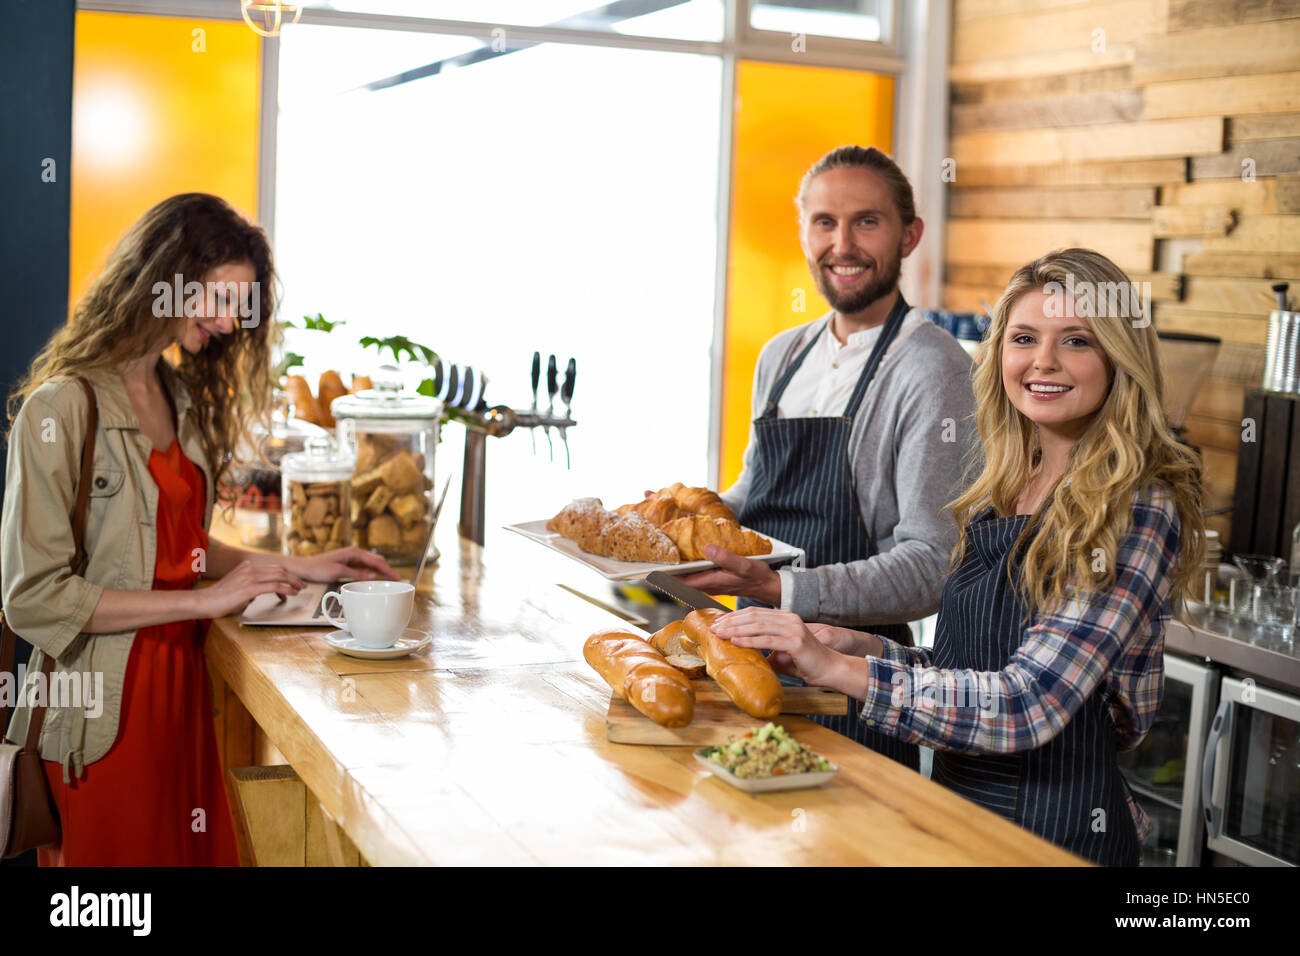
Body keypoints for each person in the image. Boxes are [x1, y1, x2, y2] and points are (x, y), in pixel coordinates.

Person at [711, 248, 1206, 865]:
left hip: (1056, 836)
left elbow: (1029, 703)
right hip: (956, 817)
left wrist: (838, 673)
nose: (1043, 361)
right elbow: (975, 663)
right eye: (1024, 337)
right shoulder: (1001, 490)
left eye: (1076, 340)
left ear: (1119, 359)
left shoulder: (1135, 507)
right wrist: (867, 650)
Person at [1, 193, 399, 866]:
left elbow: (171, 545)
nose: (225, 323)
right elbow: (32, 597)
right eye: (215, 300)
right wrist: (205, 600)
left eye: (238, 309)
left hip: (182, 703)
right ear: (164, 276)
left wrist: (304, 567)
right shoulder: (64, 406)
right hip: (105, 716)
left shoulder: (174, 396)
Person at [680, 146, 978, 768]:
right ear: (804, 233)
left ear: (910, 235)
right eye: (825, 222)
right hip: (747, 658)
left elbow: (933, 566)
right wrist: (675, 533)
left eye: (867, 221)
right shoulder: (782, 355)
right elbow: (755, 495)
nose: (843, 244)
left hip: (852, 680)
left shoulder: (934, 368)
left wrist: (783, 587)